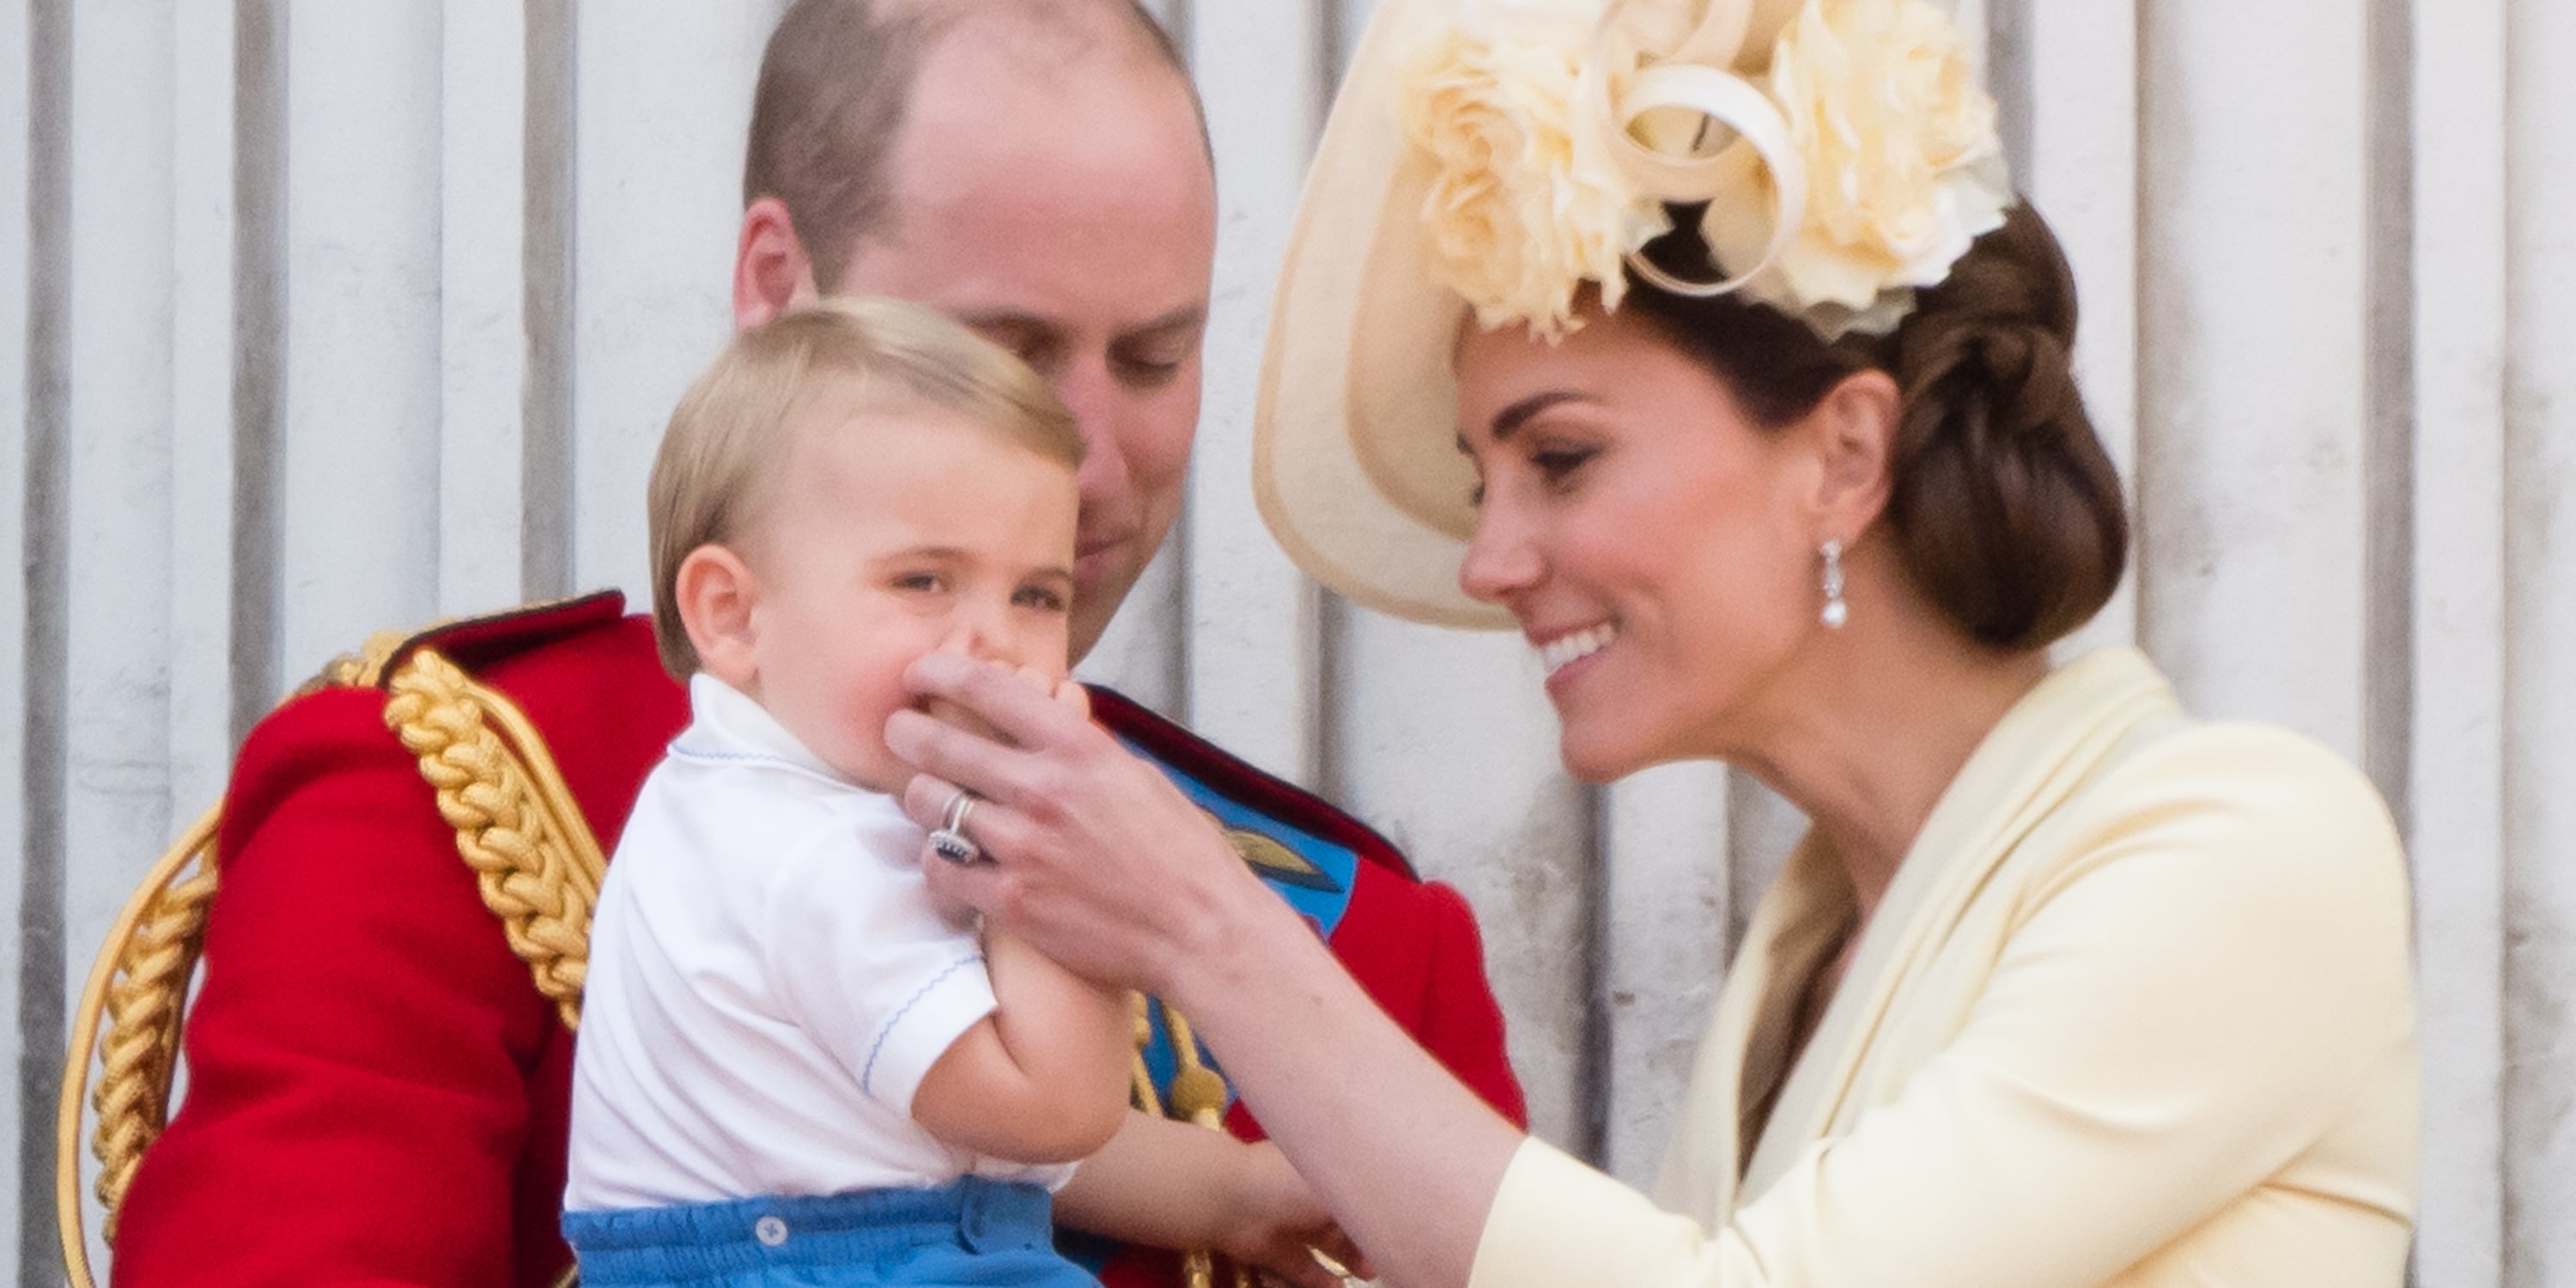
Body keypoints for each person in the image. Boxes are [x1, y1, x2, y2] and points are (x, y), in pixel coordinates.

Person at [885, 1, 2422, 1286]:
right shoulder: (1809, 945)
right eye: (1487, 482)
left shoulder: (2251, 849)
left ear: (1842, 455)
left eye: (1559, 461)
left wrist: (1202, 930)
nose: (1491, 561)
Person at [108, 3, 1523, 1285]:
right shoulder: (447, 799)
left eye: (1153, 358)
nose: (1088, 461)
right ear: (780, 288)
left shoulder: (1372, 939)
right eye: (1005, 355)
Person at [562, 297, 1126, 1286]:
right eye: (924, 581)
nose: (993, 638)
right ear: (734, 617)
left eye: (1036, 594)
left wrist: (1234, 1194)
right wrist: (1067, 867)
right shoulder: (811, 856)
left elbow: (957, 1135)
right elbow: (1056, 1111)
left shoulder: (726, 803)